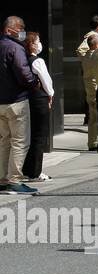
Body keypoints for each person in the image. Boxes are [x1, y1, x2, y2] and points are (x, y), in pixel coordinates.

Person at [0, 17, 38, 193]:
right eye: (20, 28)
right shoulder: (15, 48)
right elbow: (24, 74)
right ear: (9, 29)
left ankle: (2, 178)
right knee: (20, 141)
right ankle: (14, 179)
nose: (22, 31)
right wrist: (34, 81)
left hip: (1, 102)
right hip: (16, 101)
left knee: (4, 141)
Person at [21, 31, 54, 183]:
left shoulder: (22, 60)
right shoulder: (37, 61)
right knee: (40, 136)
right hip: (40, 99)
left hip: (26, 99)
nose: (40, 43)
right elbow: (46, 81)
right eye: (38, 41)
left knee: (30, 135)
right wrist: (51, 94)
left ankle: (26, 169)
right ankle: (35, 172)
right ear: (32, 44)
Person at [76, 16, 98, 150]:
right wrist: (89, 59)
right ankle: (95, 142)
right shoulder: (92, 35)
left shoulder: (94, 36)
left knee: (95, 112)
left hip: (92, 79)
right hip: (93, 81)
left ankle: (95, 141)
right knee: (95, 112)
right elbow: (80, 50)